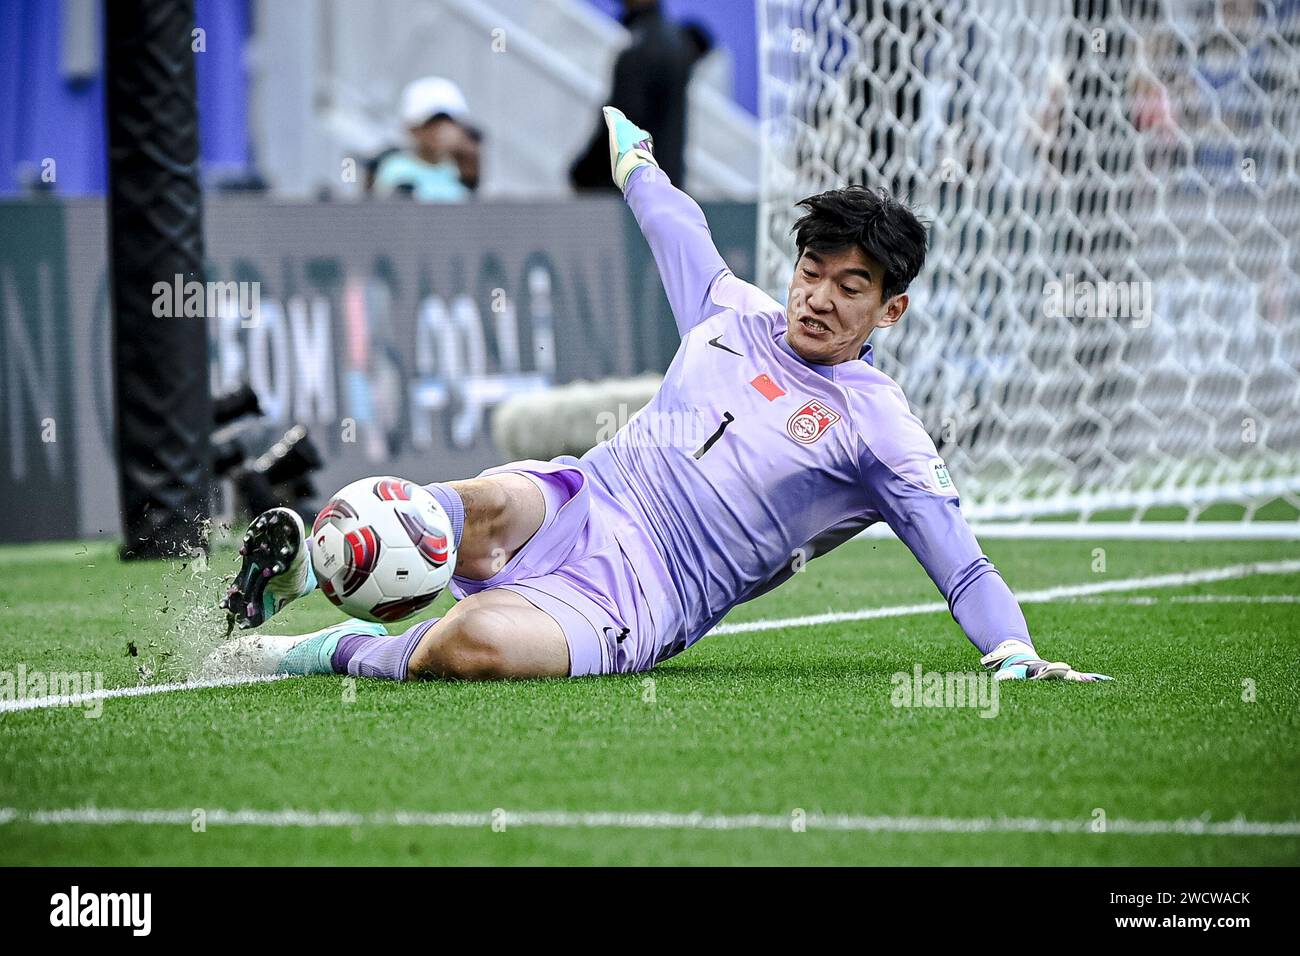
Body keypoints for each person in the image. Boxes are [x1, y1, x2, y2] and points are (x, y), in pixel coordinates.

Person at [211, 107, 1111, 685]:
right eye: (811, 270)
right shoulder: (731, 312)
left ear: (891, 307)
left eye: (851, 284)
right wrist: (634, 156)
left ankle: (313, 650)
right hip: (584, 495)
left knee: (470, 646)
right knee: (458, 511)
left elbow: (961, 561)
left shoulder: (880, 429)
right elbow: (673, 221)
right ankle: (313, 562)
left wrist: (1015, 650)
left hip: (645, 595)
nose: (820, 296)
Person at [569, 0, 695, 191]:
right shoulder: (675, 42)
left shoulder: (639, 49)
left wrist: (584, 173)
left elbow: (623, 124)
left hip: (634, 189)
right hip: (665, 185)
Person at [371, 76, 479, 202]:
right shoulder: (396, 168)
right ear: (413, 129)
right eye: (432, 123)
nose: (442, 131)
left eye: (449, 122)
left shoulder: (462, 169)